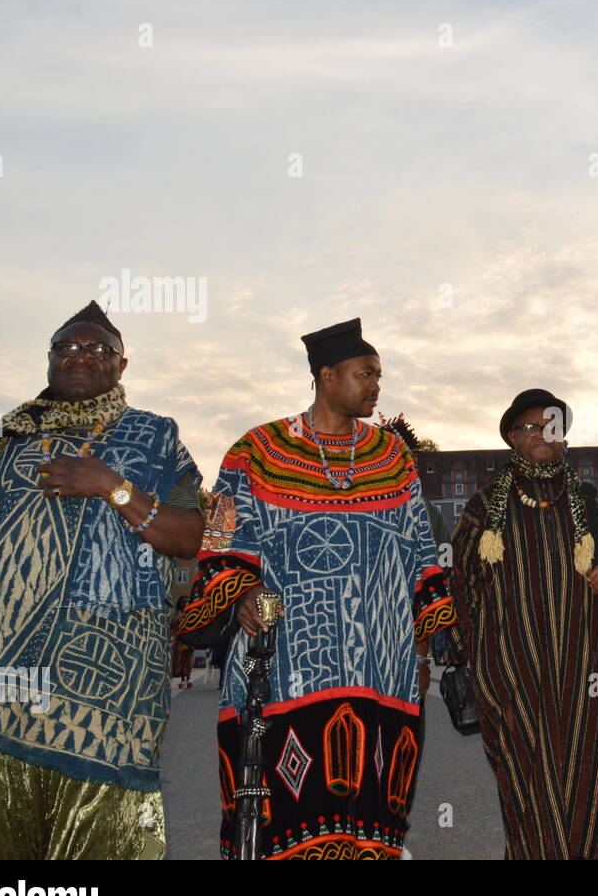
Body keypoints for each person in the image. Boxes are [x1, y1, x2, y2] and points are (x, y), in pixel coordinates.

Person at [180, 318, 455, 859]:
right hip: (283, 668)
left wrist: (419, 650)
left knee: (373, 818)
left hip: (381, 668)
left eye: (379, 374)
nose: (376, 385)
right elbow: (219, 539)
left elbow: (421, 556)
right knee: (277, 819)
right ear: (328, 377)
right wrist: (240, 594)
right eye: (366, 373)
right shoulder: (254, 450)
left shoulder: (394, 459)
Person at [0, 300, 202, 859]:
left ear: (122, 365)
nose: (78, 357)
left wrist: (112, 486)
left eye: (95, 349)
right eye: (65, 348)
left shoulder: (155, 437)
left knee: (100, 839)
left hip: (107, 680)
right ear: (48, 360)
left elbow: (189, 538)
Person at [450, 388, 598, 859]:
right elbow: (462, 585)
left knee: (592, 778)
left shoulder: (588, 499)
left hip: (585, 669)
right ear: (512, 437)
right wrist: (475, 659)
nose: (542, 434)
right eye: (530, 427)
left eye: (551, 425)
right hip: (512, 673)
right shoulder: (485, 506)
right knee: (525, 784)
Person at [171, 596, 194, 690]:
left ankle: (187, 679)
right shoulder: (177, 614)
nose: (185, 604)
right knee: (179, 660)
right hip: (179, 641)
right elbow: (172, 625)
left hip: (189, 640)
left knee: (188, 660)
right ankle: (182, 679)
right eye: (183, 602)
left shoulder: (191, 613)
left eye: (186, 602)